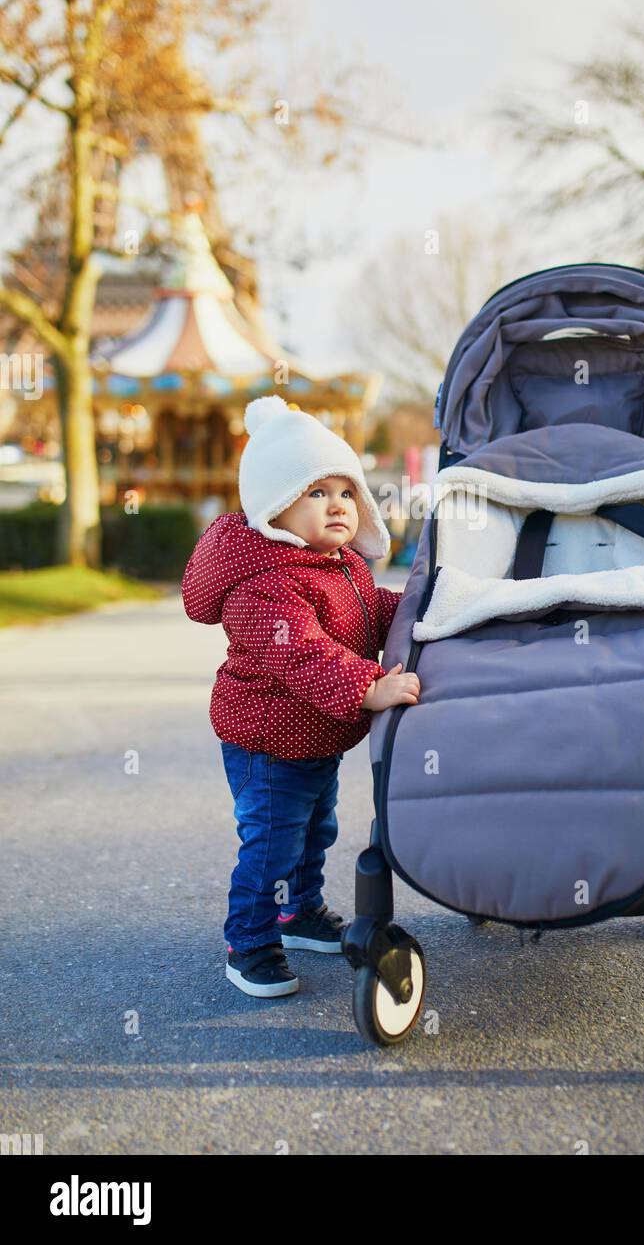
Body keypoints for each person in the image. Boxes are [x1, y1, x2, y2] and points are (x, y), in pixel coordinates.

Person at [181, 395, 421, 997]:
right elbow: (303, 654)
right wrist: (369, 687)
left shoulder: (337, 566)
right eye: (316, 493)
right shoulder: (264, 583)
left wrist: (417, 613)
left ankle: (298, 911)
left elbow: (367, 616)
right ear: (274, 508)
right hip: (266, 741)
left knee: (317, 828)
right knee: (271, 842)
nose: (337, 504)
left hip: (313, 736)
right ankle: (250, 942)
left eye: (345, 491)